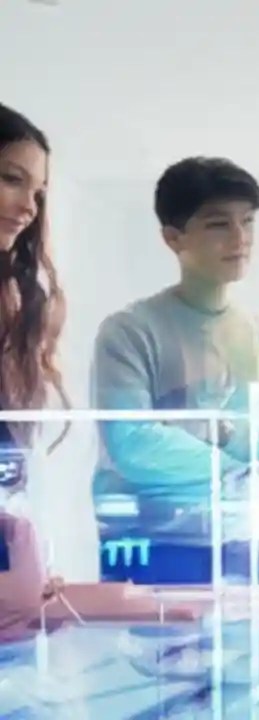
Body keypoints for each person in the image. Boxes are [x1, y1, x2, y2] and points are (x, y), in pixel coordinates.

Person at [91, 157, 259, 585]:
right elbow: (133, 447)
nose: (240, 238)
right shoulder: (129, 332)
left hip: (242, 543)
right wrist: (243, 461)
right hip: (146, 545)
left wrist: (215, 431)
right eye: (218, 225)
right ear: (174, 238)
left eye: (247, 222)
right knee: (141, 653)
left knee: (249, 651)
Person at [0, 103, 71, 636]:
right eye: (10, 180)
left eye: (39, 191)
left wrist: (29, 565)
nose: (28, 206)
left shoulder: (21, 297)